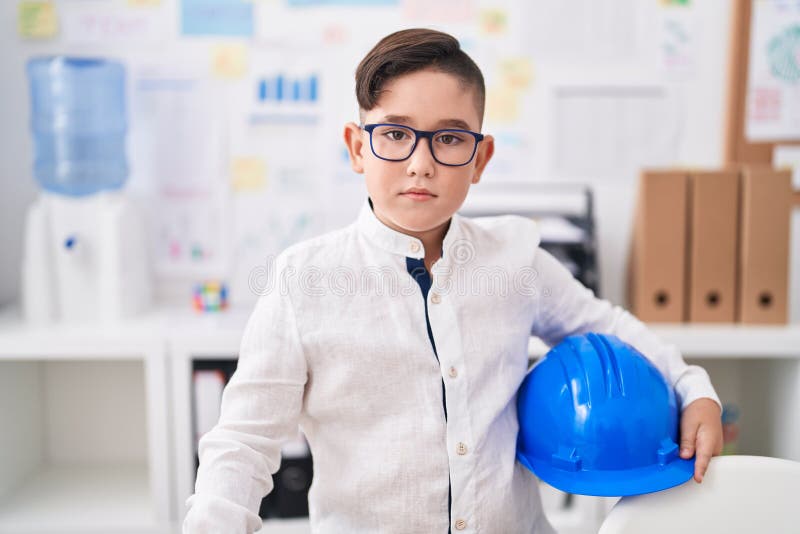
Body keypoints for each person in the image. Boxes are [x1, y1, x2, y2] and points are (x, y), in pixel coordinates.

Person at [183, 28, 723, 534]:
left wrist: (693, 389)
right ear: (356, 147)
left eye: (448, 138)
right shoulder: (303, 282)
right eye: (394, 134)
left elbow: (606, 325)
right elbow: (244, 442)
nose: (421, 163)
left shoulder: (517, 261)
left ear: (480, 158)